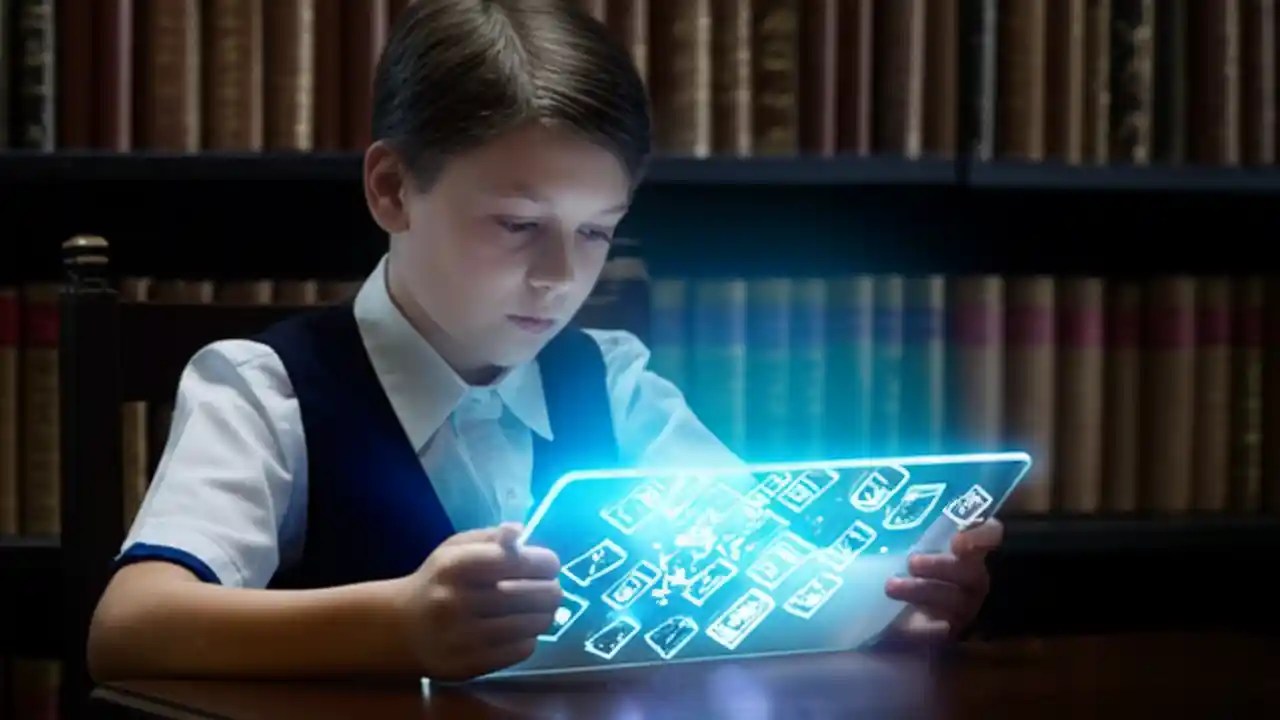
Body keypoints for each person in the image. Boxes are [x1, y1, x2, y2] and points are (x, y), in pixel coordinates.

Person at [86, 0, 1003, 683]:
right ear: (392, 190)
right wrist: (398, 624)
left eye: (598, 231)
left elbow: (760, 577)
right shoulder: (267, 390)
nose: (564, 277)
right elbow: (127, 627)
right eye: (519, 226)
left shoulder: (617, 385)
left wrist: (880, 602)